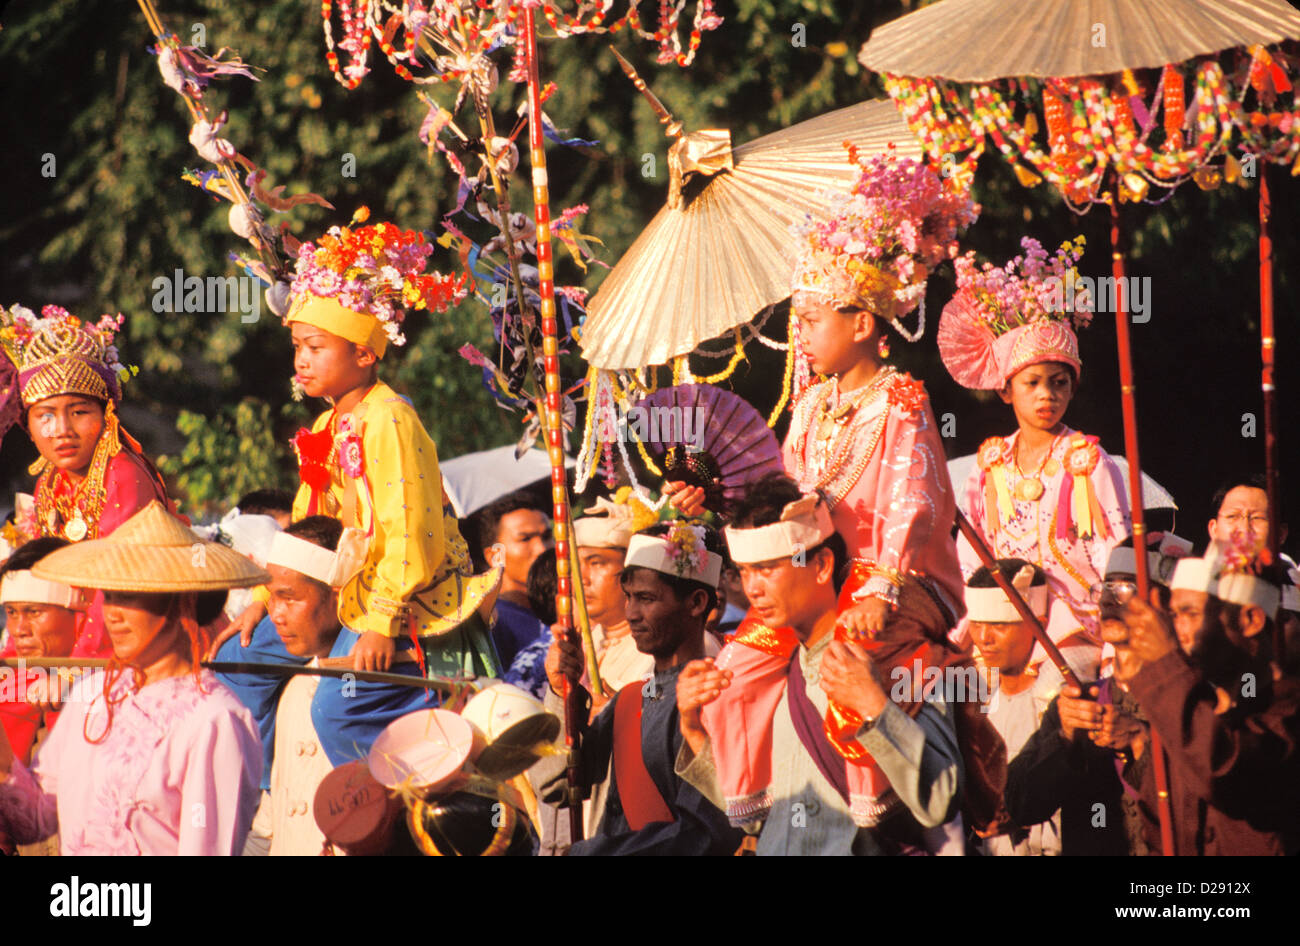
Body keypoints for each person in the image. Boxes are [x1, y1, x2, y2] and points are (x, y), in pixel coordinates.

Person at [666, 151, 976, 635]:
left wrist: (881, 589)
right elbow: (783, 495)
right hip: (812, 578)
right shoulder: (812, 404)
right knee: (741, 663)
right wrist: (716, 495)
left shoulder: (899, 400)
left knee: (847, 660)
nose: (801, 338)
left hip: (892, 582)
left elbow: (912, 504)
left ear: (861, 324)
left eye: (811, 322)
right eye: (798, 324)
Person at [676, 476, 969, 855]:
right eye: (745, 572)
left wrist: (875, 707)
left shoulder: (899, 656)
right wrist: (693, 725)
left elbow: (941, 797)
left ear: (821, 565)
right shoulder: (773, 674)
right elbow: (755, 812)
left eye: (767, 569)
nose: (753, 589)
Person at [265, 217, 500, 679]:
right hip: (354, 597)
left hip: (410, 610)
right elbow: (313, 526)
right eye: (297, 346)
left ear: (365, 355)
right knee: (248, 662)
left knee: (335, 711)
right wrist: (264, 595)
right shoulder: (328, 423)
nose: (301, 360)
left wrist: (382, 621)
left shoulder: (389, 417)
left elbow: (410, 526)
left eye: (315, 346)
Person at [0, 501, 264, 855]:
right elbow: (34, 820)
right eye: (110, 596)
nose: (114, 615)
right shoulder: (91, 695)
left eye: (132, 596)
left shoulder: (214, 721)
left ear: (180, 603)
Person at [938, 238, 1128, 674]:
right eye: (1033, 383)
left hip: (1073, 624)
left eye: (1060, 383)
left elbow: (1115, 554)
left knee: (1065, 689)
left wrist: (1118, 642)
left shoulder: (1088, 460)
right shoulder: (989, 465)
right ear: (1005, 389)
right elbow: (971, 559)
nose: (1048, 395)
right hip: (999, 625)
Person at [541, 520, 743, 855]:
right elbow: (561, 784)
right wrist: (564, 693)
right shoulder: (633, 697)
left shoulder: (714, 695)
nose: (631, 613)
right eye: (629, 597)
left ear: (695, 602)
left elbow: (708, 832)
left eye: (646, 598)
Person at [0, 304, 173, 658]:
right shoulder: (49, 482)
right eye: (45, 416)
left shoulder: (123, 475)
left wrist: (71, 671)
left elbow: (118, 590)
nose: (62, 430)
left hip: (124, 646)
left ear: (106, 414)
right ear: (28, 426)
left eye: (79, 412)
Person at [1106, 551, 1300, 855]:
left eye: (1190, 614)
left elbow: (1224, 774)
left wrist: (1164, 669)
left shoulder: (1288, 709)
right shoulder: (1192, 707)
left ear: (1250, 620)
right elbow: (1157, 831)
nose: (1176, 630)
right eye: (1173, 616)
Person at [256, 516, 426, 855]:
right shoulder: (290, 688)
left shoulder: (380, 694)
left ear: (338, 597)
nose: (275, 613)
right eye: (271, 598)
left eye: (289, 598)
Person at [962, 559, 1096, 855]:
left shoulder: (1070, 687)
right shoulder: (973, 690)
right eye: (978, 624)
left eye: (999, 625)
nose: (984, 639)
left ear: (1039, 623)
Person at [0, 537, 82, 766]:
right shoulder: (11, 676)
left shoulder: (109, 686)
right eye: (12, 612)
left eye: (34, 612)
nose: (18, 630)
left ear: (78, 613)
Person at [468, 490, 552, 670]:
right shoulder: (493, 622)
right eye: (525, 539)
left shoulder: (561, 610)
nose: (542, 549)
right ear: (494, 556)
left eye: (546, 537)